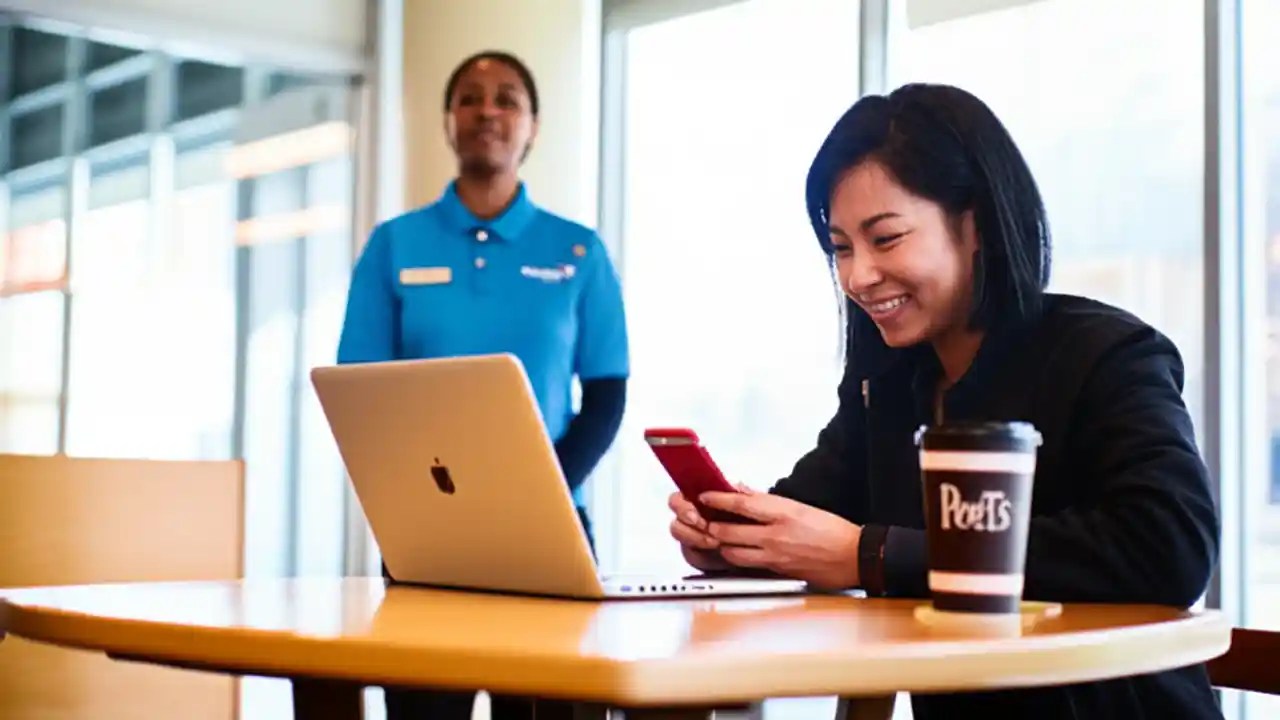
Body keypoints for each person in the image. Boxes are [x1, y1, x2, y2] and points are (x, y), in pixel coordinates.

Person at [667, 83, 1221, 719]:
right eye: (842, 247)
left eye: (887, 238)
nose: (857, 277)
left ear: (975, 224)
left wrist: (869, 554)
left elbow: (1169, 548)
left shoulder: (1105, 353)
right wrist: (741, 538)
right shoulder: (892, 376)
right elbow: (815, 511)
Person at [337, 50, 629, 720]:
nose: (488, 111)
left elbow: (607, 395)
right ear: (448, 122)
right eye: (470, 98)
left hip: (551, 534)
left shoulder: (578, 251)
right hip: (428, 536)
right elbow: (362, 393)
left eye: (507, 99)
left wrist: (535, 495)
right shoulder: (394, 246)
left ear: (533, 126)